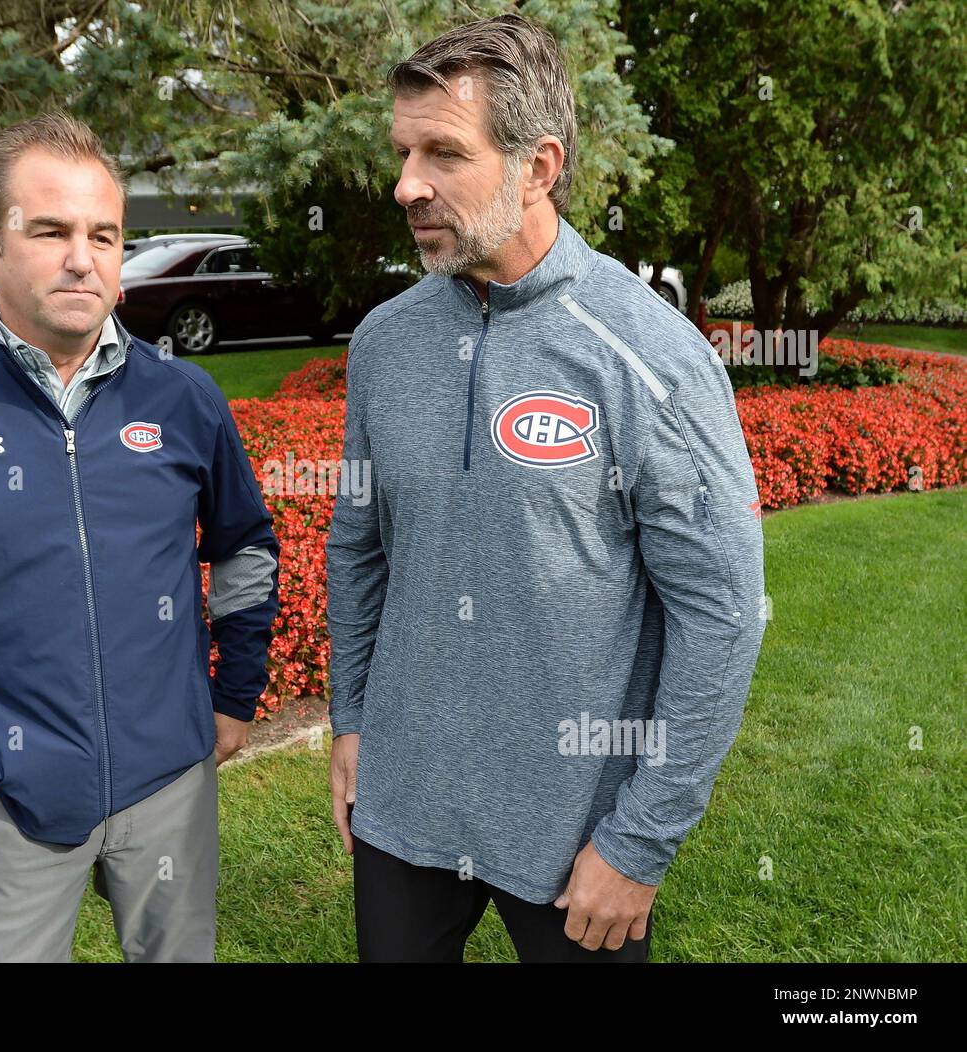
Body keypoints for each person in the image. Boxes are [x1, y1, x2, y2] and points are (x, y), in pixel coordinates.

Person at [325, 14, 766, 963]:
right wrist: (353, 719)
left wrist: (639, 840)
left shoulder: (650, 354)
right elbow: (357, 549)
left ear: (538, 164)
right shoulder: (384, 345)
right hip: (403, 804)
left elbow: (723, 614)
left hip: (579, 833)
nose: (407, 185)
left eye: (444, 151)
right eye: (404, 152)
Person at [0, 112, 280, 963]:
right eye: (51, 231)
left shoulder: (183, 398)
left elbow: (243, 549)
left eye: (104, 235)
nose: (82, 258)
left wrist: (232, 695)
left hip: (170, 782)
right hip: (9, 798)